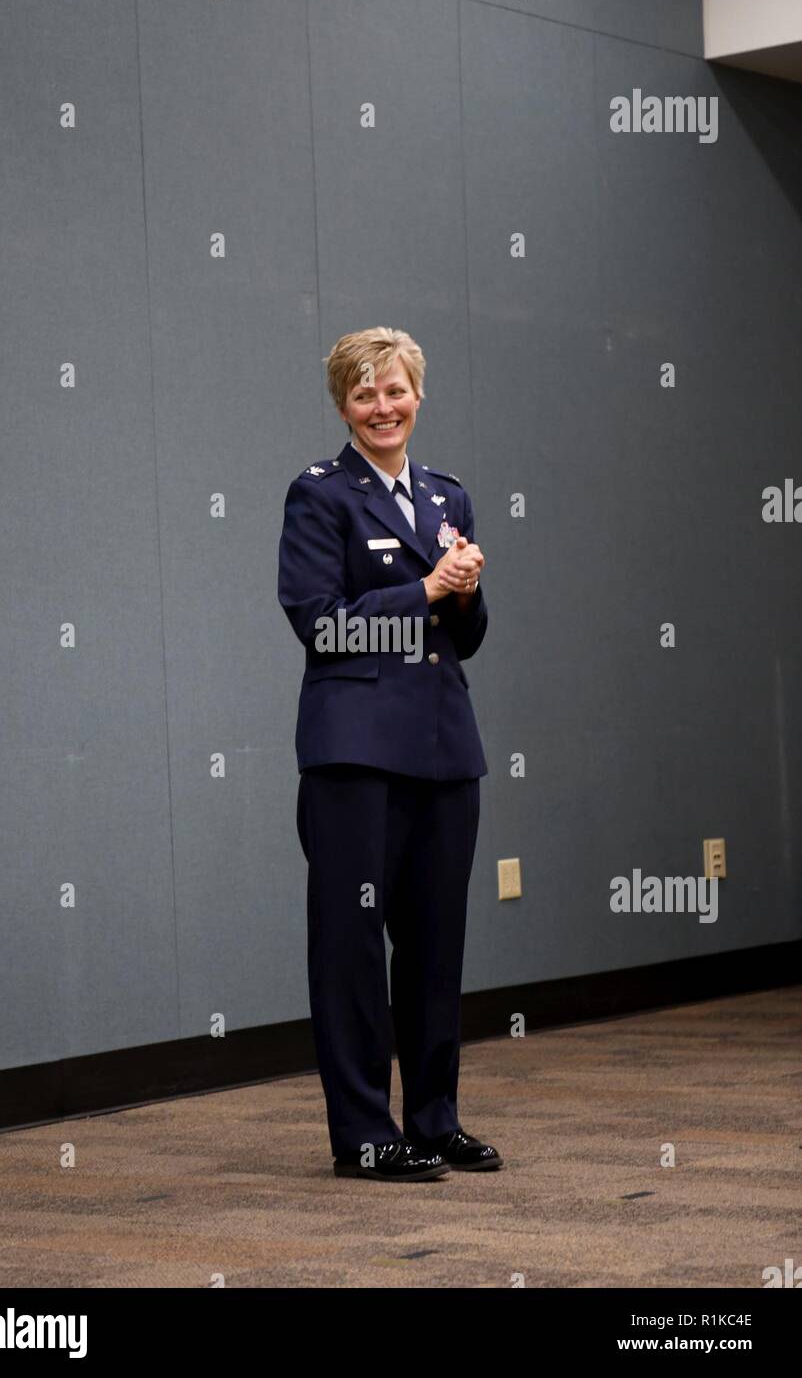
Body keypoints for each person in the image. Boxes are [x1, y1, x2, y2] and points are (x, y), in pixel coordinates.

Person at [277, 326, 502, 1181]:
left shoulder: (448, 496)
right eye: (365, 394)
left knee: (437, 942)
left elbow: (467, 639)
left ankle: (435, 1122)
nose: (383, 408)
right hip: (355, 755)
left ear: (418, 396)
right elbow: (318, 622)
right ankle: (366, 1134)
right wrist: (425, 590)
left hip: (444, 750)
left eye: (396, 390)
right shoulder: (319, 495)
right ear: (344, 404)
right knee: (352, 946)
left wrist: (466, 592)